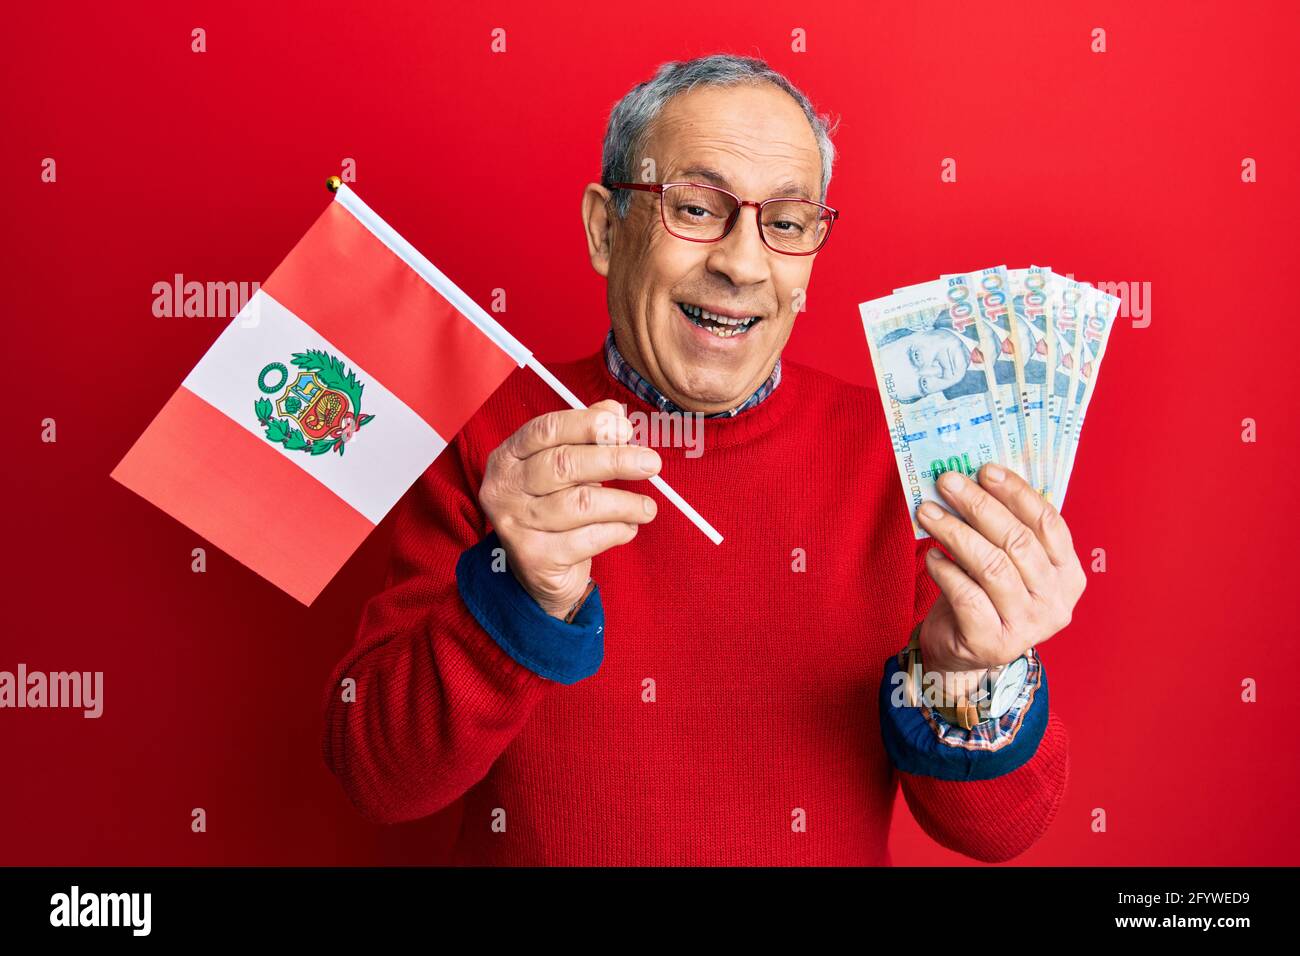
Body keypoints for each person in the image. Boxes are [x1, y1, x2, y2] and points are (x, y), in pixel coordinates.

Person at [321, 53, 1084, 865]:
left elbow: (998, 831)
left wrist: (963, 674)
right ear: (605, 230)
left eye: (785, 224)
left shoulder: (902, 456)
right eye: (694, 208)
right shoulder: (500, 442)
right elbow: (378, 778)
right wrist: (519, 596)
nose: (742, 263)